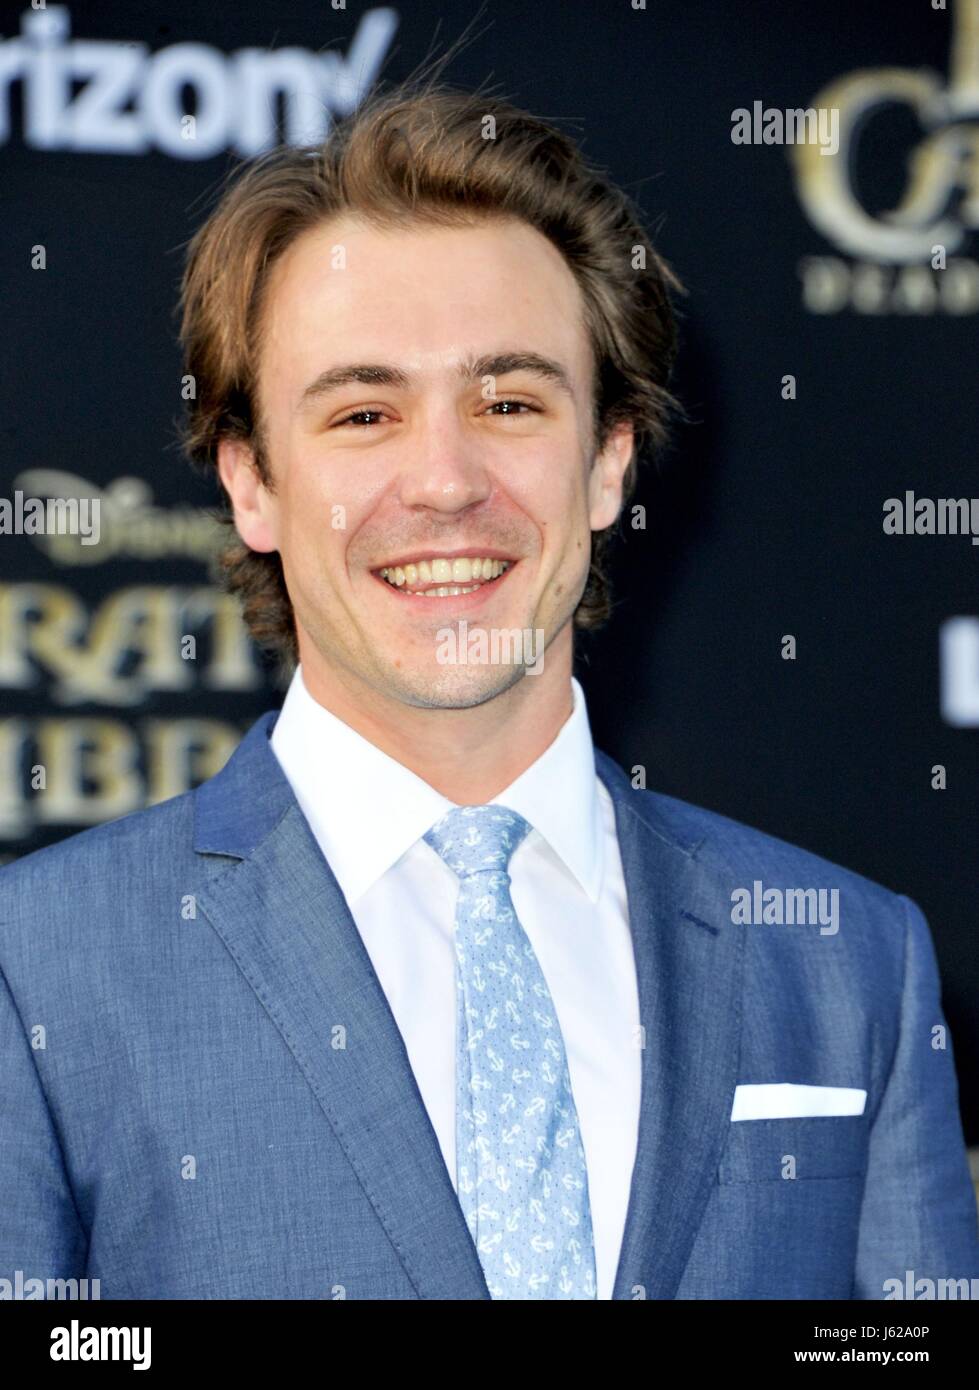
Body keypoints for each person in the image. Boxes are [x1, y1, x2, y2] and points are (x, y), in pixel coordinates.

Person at [1, 79, 976, 1301]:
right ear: (251, 484)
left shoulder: (849, 965)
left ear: (608, 459)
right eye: (363, 412)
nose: (446, 479)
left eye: (508, 401)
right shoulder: (33, 968)